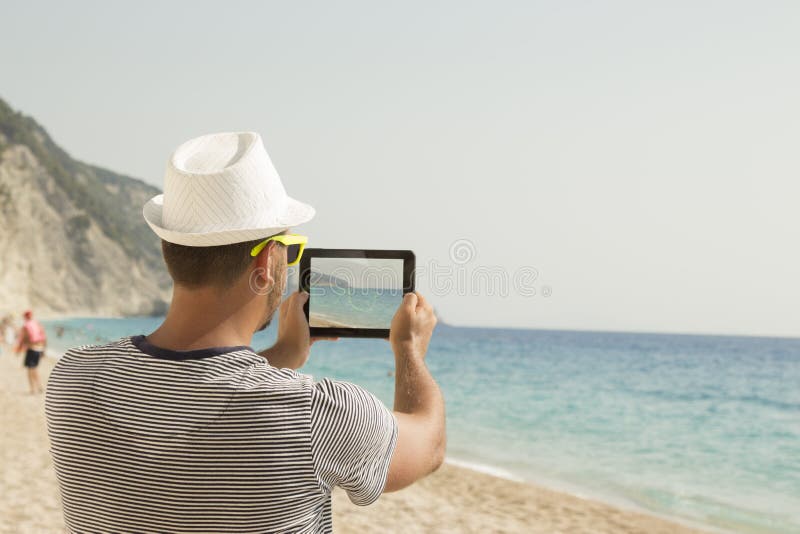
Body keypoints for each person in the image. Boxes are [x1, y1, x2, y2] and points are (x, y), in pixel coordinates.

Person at [45, 132, 445, 532]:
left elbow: (194, 394)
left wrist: (285, 352)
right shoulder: (316, 415)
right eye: (292, 249)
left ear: (171, 251)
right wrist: (408, 349)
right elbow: (428, 447)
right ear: (268, 263)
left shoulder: (74, 378)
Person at [16, 309, 47, 394]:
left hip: (31, 349)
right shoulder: (37, 323)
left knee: (30, 370)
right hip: (40, 348)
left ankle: (32, 389)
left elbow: (24, 339)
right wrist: (44, 350)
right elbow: (44, 336)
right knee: (35, 368)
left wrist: (18, 349)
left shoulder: (26, 326)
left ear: (25, 317)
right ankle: (40, 386)